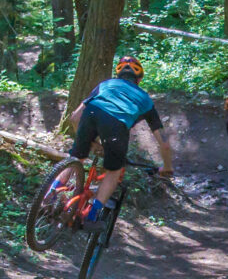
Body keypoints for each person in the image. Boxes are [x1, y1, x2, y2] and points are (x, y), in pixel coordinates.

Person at [63, 56, 175, 221]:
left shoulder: (106, 85)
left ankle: (49, 194)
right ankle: (91, 217)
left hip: (91, 113)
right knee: (114, 172)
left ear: (118, 75)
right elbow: (164, 144)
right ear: (139, 79)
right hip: (116, 125)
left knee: (76, 158)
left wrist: (90, 142)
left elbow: (74, 118)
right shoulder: (145, 99)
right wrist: (167, 167)